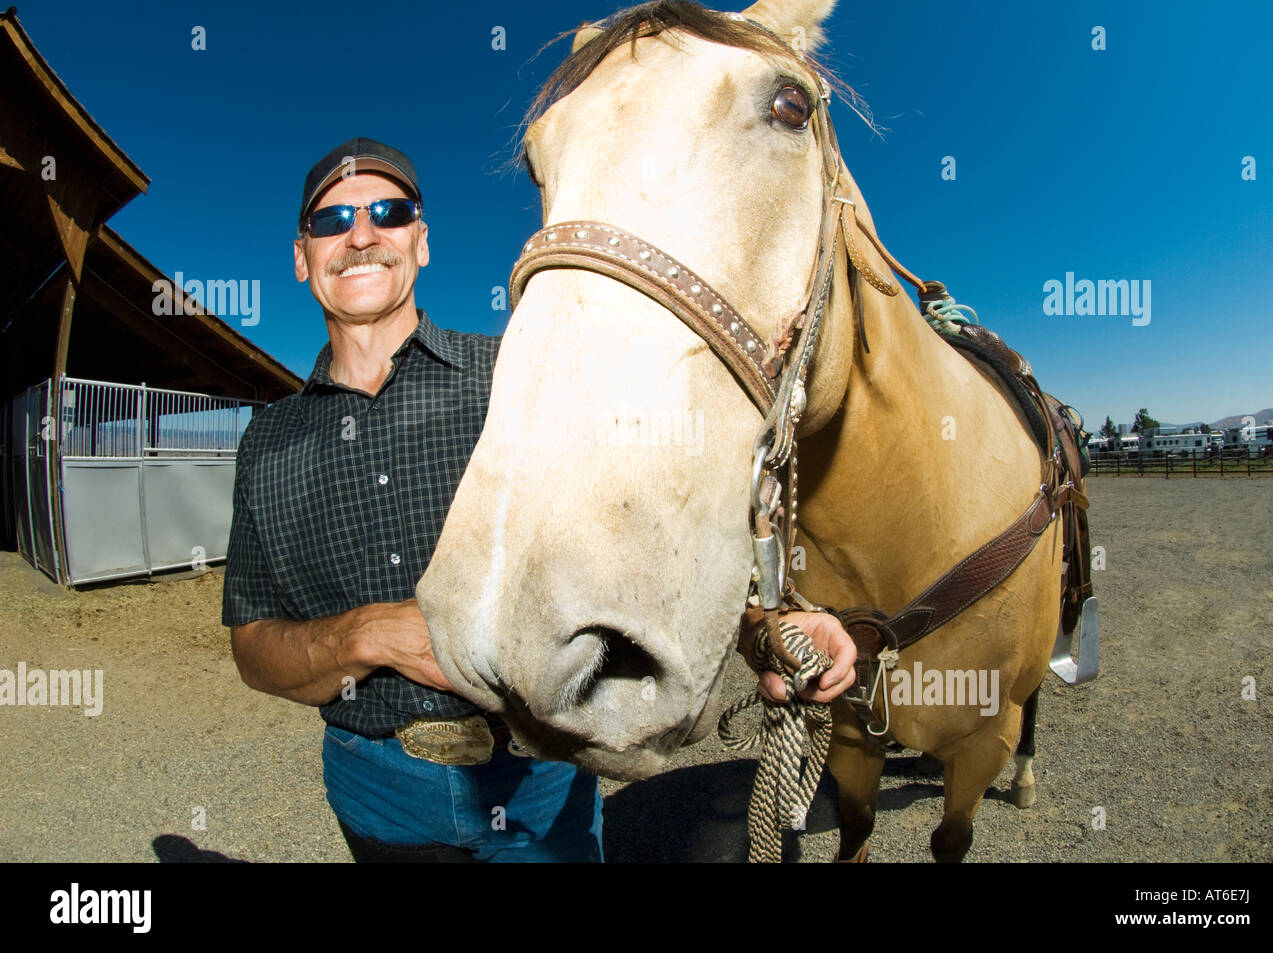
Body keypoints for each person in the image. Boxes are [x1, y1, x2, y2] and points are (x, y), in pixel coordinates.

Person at [223, 137, 856, 863]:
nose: (361, 234)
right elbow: (252, 648)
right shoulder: (267, 443)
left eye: (388, 212)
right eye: (333, 221)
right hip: (377, 797)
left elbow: (644, 554)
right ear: (302, 257)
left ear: (420, 243)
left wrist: (765, 626)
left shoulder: (523, 375)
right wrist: (366, 635)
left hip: (537, 789)